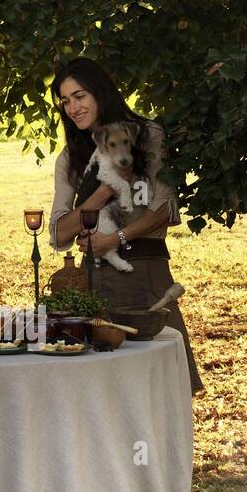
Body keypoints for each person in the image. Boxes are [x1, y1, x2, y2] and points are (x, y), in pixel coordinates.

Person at [48, 58, 203, 394]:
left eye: (79, 96)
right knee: (101, 390)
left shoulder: (147, 136)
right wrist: (103, 190)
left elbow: (165, 207)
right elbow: (59, 234)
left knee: (160, 384)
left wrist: (114, 239)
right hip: (92, 284)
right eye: (65, 101)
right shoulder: (71, 156)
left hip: (143, 273)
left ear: (100, 92)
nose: (72, 107)